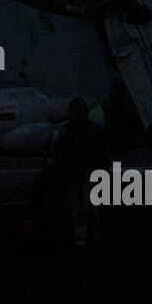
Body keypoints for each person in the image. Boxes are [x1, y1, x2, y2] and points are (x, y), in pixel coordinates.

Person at [52, 97, 107, 247]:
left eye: (72, 111)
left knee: (90, 209)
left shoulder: (92, 131)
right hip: (74, 176)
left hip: (87, 176)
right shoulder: (67, 131)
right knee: (77, 210)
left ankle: (93, 237)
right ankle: (83, 239)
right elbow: (60, 152)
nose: (69, 114)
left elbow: (101, 154)